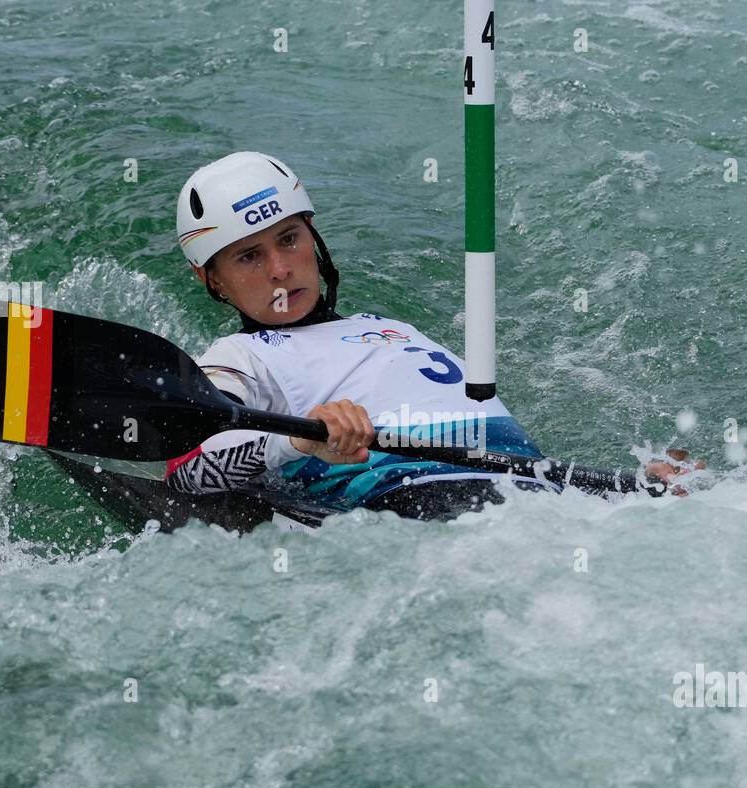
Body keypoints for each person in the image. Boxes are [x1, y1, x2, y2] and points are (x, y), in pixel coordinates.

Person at [166, 151, 701, 519]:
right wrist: (295, 440)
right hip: (425, 504)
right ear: (210, 277)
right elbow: (186, 464)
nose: (280, 269)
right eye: (250, 256)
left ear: (314, 237)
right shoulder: (238, 355)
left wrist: (629, 491)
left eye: (289, 239)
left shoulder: (387, 326)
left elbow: (504, 455)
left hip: (541, 497)